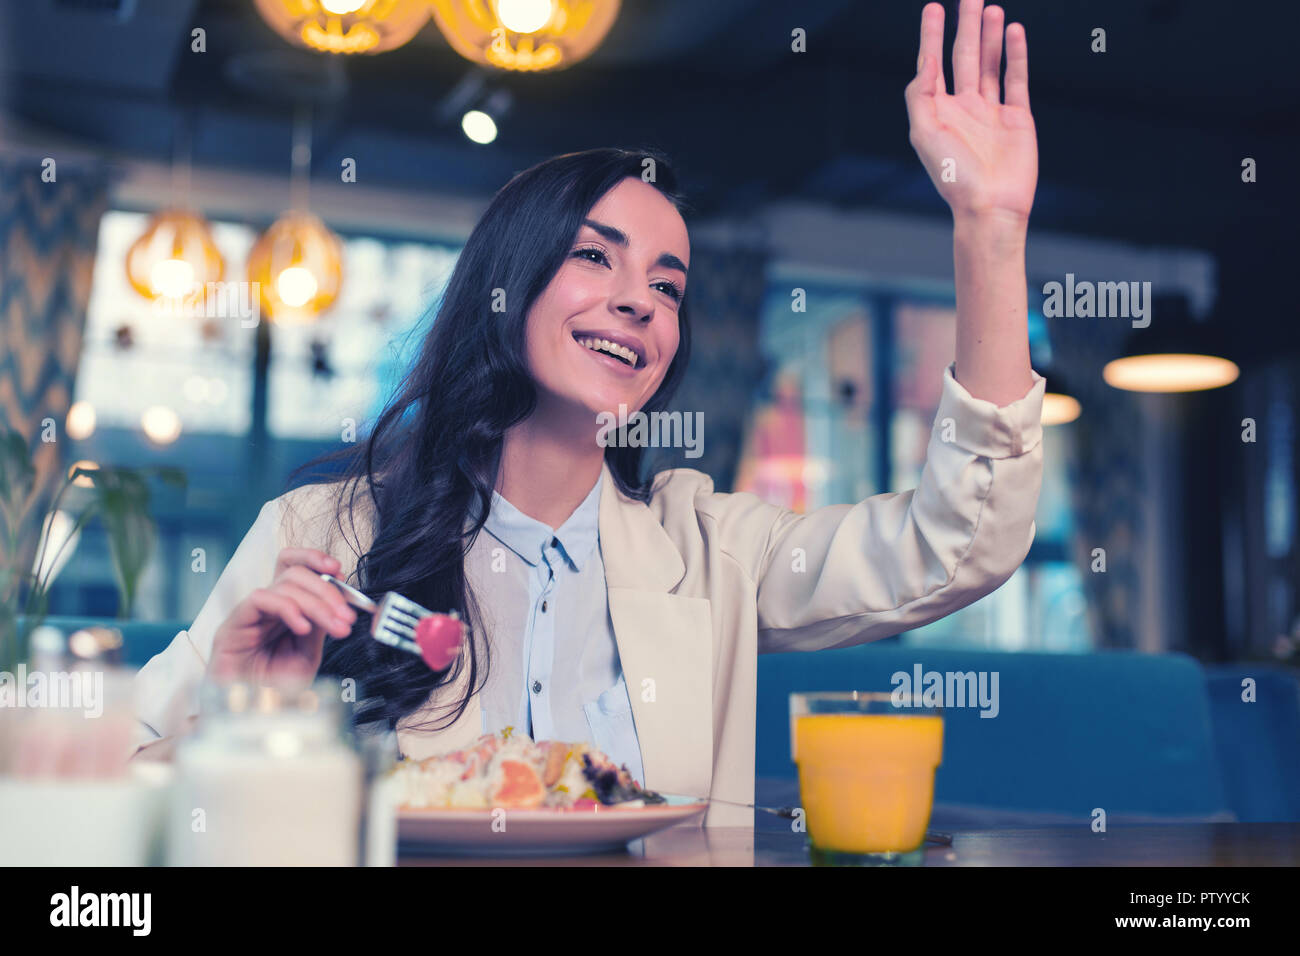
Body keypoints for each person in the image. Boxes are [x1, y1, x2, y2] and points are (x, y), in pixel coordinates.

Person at [134, 0, 1045, 826]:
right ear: (510, 285)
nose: (640, 300)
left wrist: (991, 230)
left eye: (666, 283)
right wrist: (237, 714)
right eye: (594, 257)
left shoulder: (713, 553)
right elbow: (107, 790)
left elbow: (955, 543)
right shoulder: (319, 536)